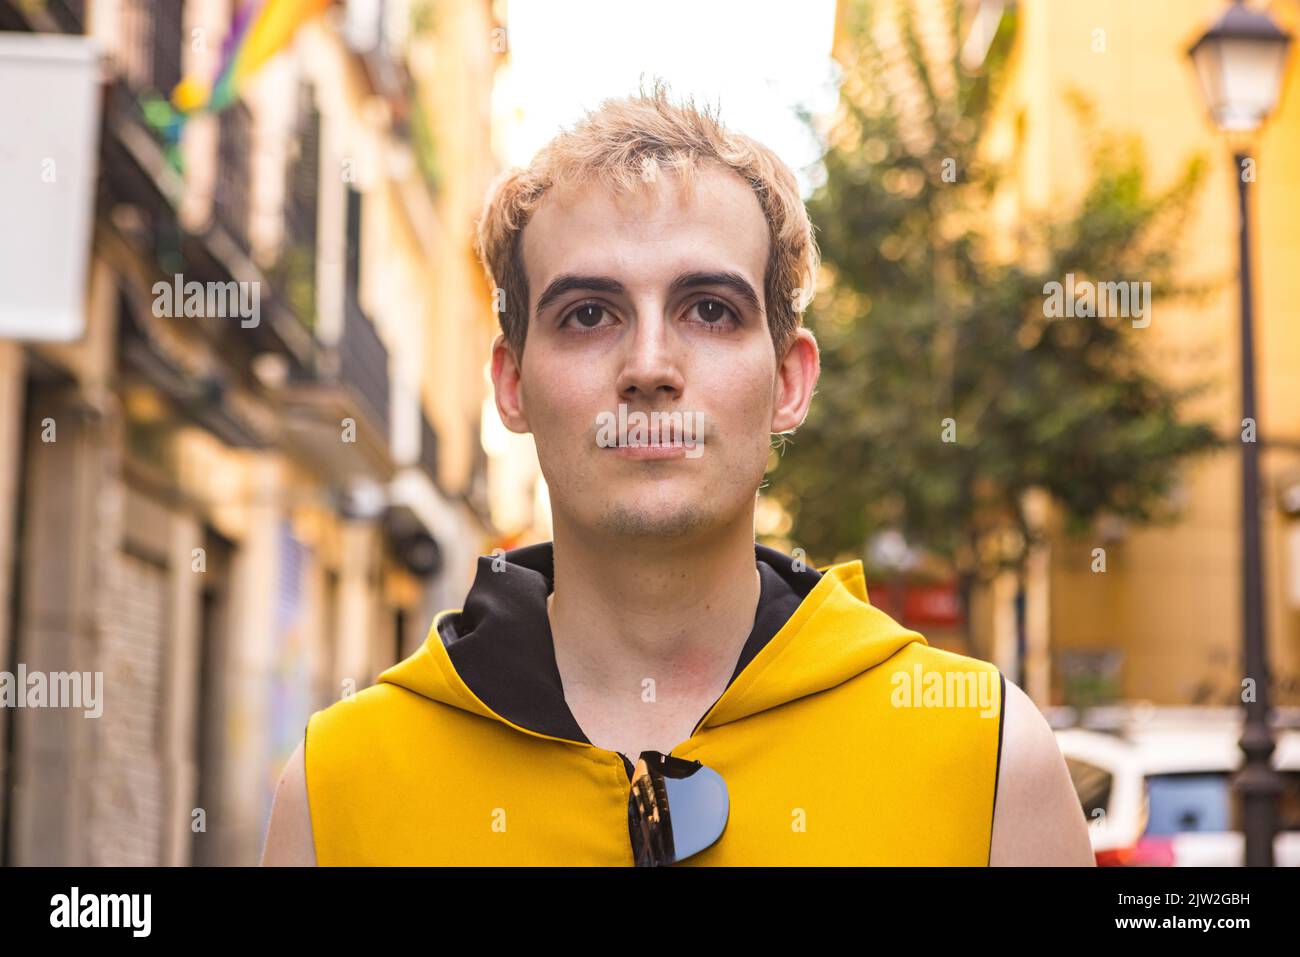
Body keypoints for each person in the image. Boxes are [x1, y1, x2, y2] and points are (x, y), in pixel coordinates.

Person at [262, 80, 1094, 867]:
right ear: (511, 384)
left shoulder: (989, 761)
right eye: (589, 314)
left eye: (710, 310)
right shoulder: (336, 788)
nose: (650, 365)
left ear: (790, 381)